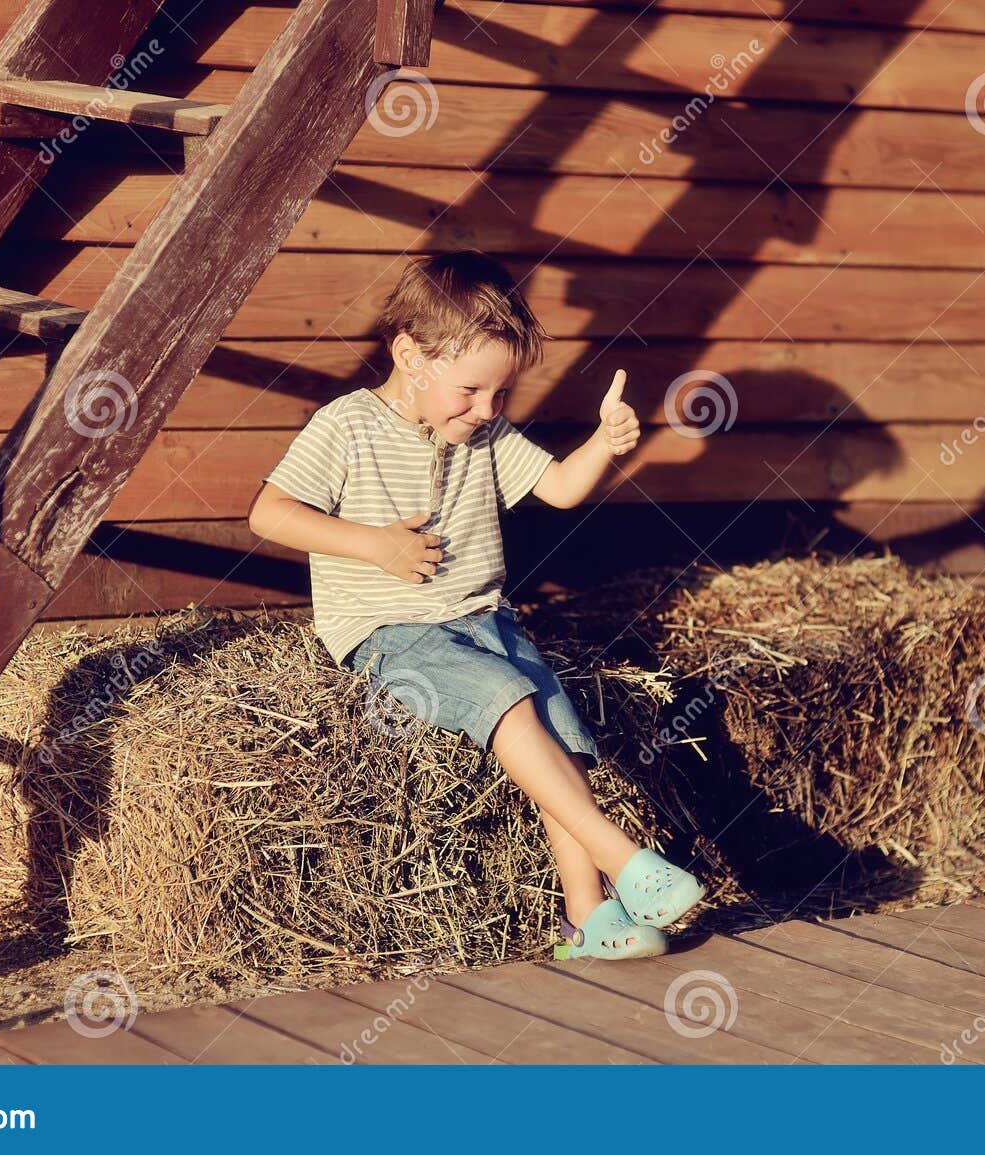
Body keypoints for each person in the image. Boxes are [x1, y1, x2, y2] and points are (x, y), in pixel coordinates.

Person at [247, 250, 704, 960]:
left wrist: (604, 443)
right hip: (390, 630)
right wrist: (373, 546)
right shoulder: (348, 425)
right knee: (504, 696)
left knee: (559, 725)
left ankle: (586, 917)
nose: (487, 409)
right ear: (408, 353)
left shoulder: (483, 432)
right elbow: (268, 513)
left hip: (484, 618)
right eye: (470, 389)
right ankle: (627, 861)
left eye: (500, 393)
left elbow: (557, 488)